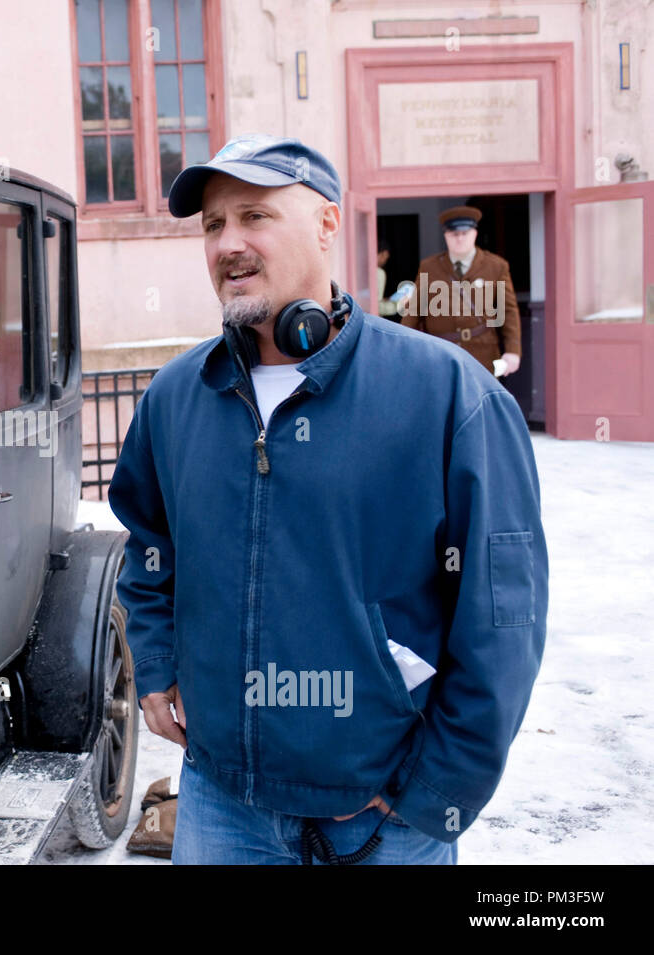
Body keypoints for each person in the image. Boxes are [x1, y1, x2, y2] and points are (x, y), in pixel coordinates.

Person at [108, 134, 548, 865]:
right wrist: (153, 663)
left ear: (328, 223)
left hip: (385, 817)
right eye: (213, 225)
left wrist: (435, 784)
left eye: (255, 215)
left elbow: (504, 615)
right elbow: (146, 542)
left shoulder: (448, 395)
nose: (229, 243)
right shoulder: (175, 396)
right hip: (221, 805)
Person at [400, 206, 522, 379]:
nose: (459, 239)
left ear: (475, 234)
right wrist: (404, 347)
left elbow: (508, 311)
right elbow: (415, 310)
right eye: (454, 234)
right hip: (440, 352)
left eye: (465, 233)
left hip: (483, 353)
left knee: (481, 402)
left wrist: (512, 351)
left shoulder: (496, 266)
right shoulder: (429, 267)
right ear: (446, 236)